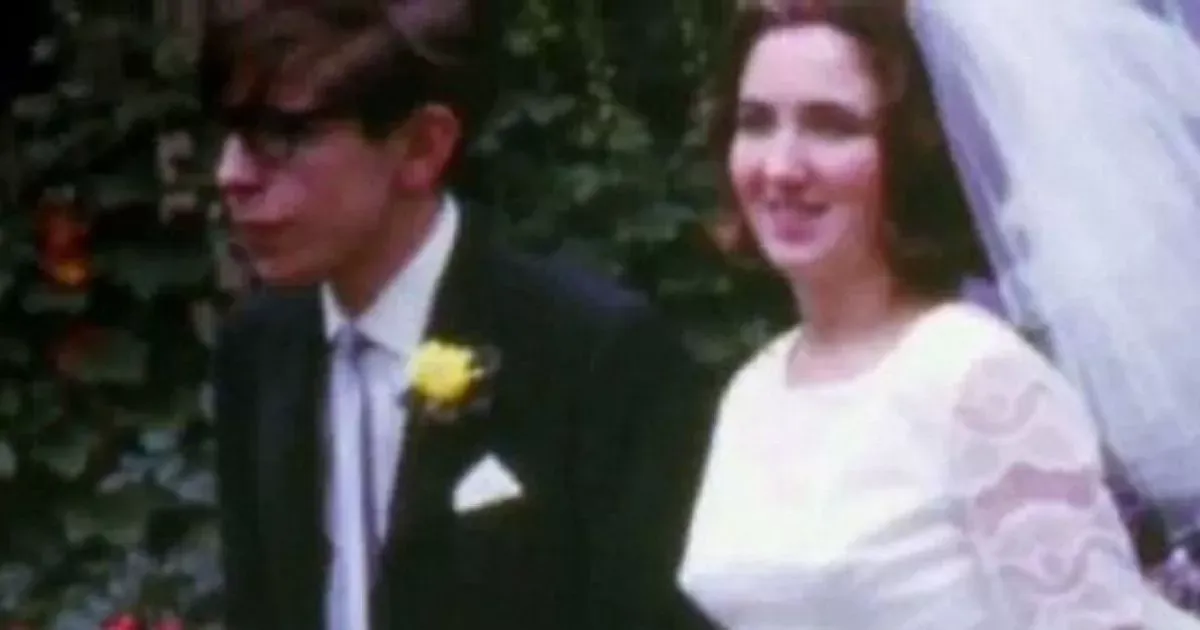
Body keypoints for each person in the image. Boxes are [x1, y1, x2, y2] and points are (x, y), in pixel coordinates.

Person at [677, 0, 1200, 628]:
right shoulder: (756, 387)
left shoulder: (980, 382)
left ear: (909, 151)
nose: (781, 166)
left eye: (832, 125)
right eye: (757, 122)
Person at [204, 1, 717, 629]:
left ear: (422, 146)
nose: (231, 174)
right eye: (230, 133)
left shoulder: (594, 355)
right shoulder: (259, 349)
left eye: (283, 135)